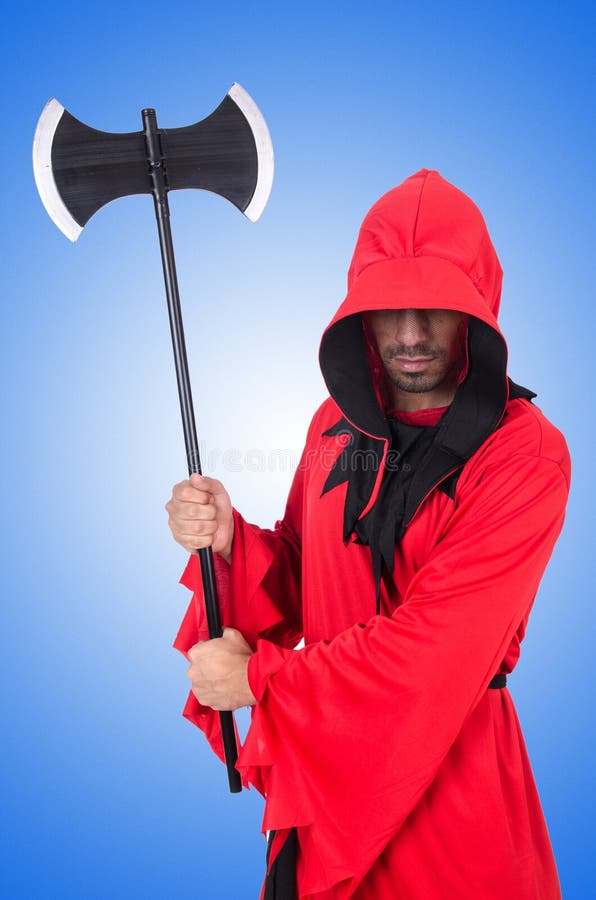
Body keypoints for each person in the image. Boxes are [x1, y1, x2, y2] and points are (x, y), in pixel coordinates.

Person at [166, 169, 570, 899]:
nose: (411, 335)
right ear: (360, 312)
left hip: (453, 790)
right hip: (326, 785)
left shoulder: (525, 454)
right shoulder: (335, 427)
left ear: (475, 312)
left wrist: (261, 680)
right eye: (389, 308)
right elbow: (298, 569)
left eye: (435, 309)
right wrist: (230, 540)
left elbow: (435, 650)